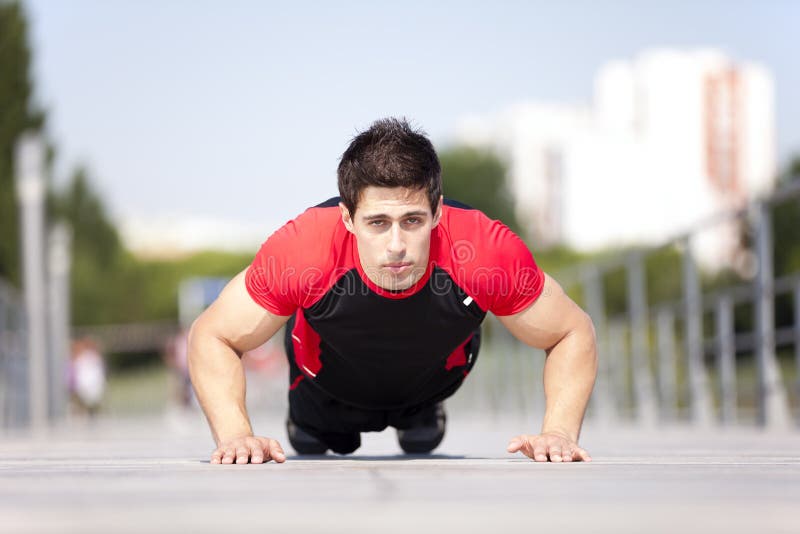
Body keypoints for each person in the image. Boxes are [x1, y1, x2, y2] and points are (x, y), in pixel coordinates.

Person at [188, 118, 597, 465]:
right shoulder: (303, 250)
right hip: (327, 390)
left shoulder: (483, 250)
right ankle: (310, 420)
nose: (397, 244)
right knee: (318, 443)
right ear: (347, 217)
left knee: (423, 438)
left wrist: (559, 432)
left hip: (430, 381)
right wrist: (235, 435)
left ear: (437, 211)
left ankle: (421, 413)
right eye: (378, 222)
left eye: (413, 221)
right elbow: (213, 334)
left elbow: (570, 331)